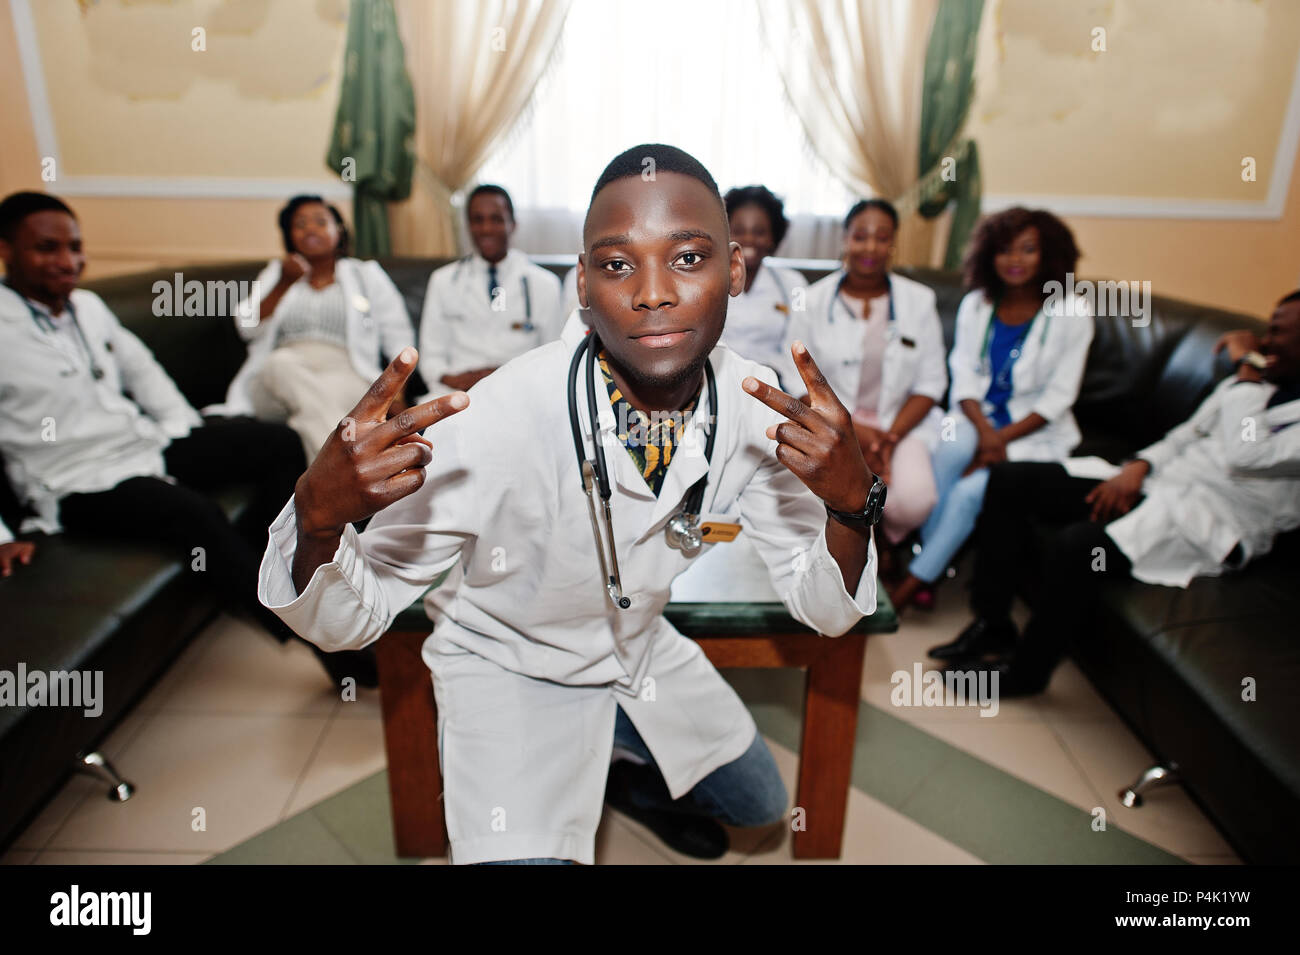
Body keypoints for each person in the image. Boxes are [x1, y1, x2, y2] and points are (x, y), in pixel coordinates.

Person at [258, 145, 881, 865]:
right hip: (508, 663)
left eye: (686, 258)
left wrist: (850, 509)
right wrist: (317, 515)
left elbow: (827, 610)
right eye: (618, 265)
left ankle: (620, 766)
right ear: (582, 283)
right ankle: (592, 760)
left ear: (735, 270)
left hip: (636, 645)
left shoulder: (755, 404)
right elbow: (348, 618)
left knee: (760, 804)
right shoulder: (495, 414)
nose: (653, 292)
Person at [0, 191, 373, 688]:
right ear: (6, 249)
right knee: (196, 514)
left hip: (146, 444)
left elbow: (143, 373)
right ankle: (337, 651)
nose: (68, 261)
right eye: (48, 248)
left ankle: (281, 566)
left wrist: (188, 435)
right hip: (76, 482)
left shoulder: (87, 307)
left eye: (75, 246)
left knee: (278, 443)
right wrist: (5, 535)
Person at [938, 291, 1300, 695]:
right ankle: (992, 625)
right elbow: (1184, 436)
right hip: (1157, 484)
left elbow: (1248, 450)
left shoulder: (1248, 383)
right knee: (1009, 480)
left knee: (1077, 548)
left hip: (1210, 524)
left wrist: (1246, 372)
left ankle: (1026, 675)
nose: (1265, 342)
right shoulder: (1251, 385)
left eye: (1279, 331)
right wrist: (1138, 466)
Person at [889, 207, 1094, 612]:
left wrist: (999, 441)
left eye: (1027, 249)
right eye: (1003, 250)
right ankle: (931, 559)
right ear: (988, 254)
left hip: (1034, 432)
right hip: (975, 417)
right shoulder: (976, 305)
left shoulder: (1072, 312)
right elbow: (962, 375)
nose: (1014, 260)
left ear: (1049, 254)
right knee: (949, 451)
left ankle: (912, 582)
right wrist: (984, 433)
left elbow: (1059, 397)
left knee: (969, 492)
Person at [779, 198, 946, 560]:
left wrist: (889, 438)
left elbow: (931, 382)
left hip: (898, 424)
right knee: (821, 495)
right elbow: (798, 382)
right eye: (860, 237)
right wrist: (853, 431)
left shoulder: (920, 300)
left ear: (893, 244)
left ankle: (885, 543)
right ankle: (856, 554)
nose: (870, 247)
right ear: (844, 240)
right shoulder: (810, 300)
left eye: (882, 238)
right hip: (833, 422)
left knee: (916, 501)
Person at [210, 196, 416, 462]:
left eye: (320, 222)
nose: (310, 229)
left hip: (346, 371)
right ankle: (344, 468)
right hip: (278, 379)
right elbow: (246, 328)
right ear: (289, 235)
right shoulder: (276, 273)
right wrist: (284, 283)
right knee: (281, 365)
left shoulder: (365, 275)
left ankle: (327, 480)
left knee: (321, 406)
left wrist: (398, 394)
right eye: (300, 224)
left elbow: (398, 337)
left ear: (338, 231)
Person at [417, 184, 564, 396]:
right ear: (468, 226)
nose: (486, 229)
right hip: (456, 392)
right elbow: (431, 360)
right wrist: (462, 380)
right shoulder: (443, 281)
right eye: (478, 220)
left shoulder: (544, 284)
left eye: (496, 219)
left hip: (520, 391)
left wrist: (503, 377)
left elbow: (553, 357)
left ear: (512, 224)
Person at [720, 185, 805, 382]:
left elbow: (800, 342)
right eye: (739, 231)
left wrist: (773, 375)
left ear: (773, 238)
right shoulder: (707, 282)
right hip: (716, 380)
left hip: (773, 382)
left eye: (759, 232)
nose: (749, 239)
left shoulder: (795, 285)